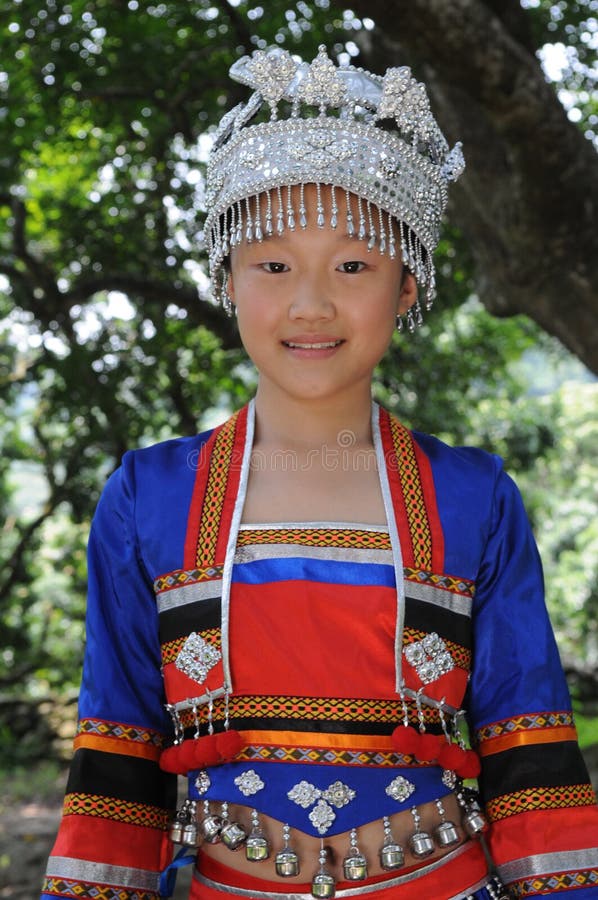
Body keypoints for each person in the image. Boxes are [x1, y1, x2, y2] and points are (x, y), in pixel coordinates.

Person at [42, 46, 598, 900]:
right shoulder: (148, 498)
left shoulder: (474, 498)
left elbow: (531, 756)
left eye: (353, 265)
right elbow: (116, 757)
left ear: (406, 287)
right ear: (227, 280)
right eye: (273, 265)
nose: (310, 304)